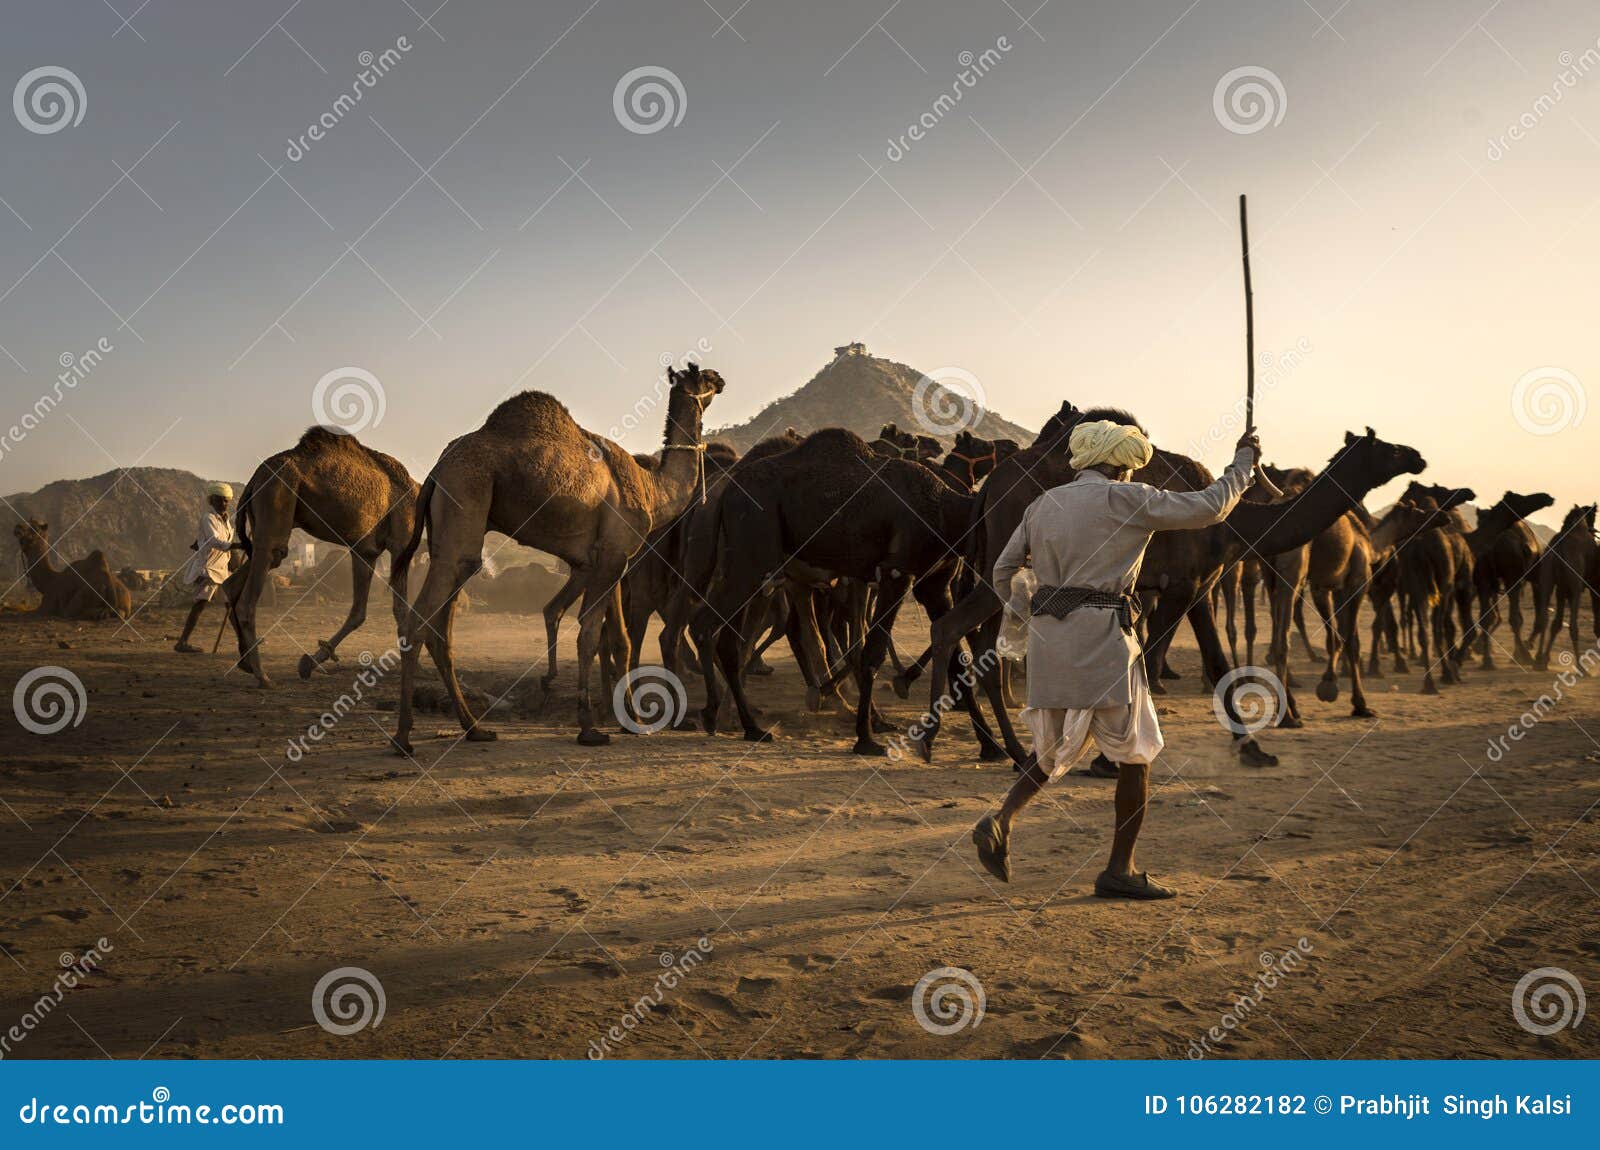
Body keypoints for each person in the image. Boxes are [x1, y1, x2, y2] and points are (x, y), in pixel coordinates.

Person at [971, 418, 1261, 900]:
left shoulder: (1042, 504)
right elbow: (1211, 507)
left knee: (1048, 752)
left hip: (1049, 646)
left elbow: (1003, 571)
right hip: (1106, 645)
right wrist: (1244, 463)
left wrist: (1032, 615)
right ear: (1123, 465)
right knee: (1136, 755)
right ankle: (1119, 869)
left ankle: (1001, 818)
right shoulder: (1127, 498)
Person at [174, 481, 243, 653]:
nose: (223, 503)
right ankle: (182, 642)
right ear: (211, 501)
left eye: (226, 500)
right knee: (200, 605)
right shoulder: (208, 518)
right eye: (219, 500)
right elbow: (214, 541)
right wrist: (237, 546)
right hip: (209, 570)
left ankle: (244, 640)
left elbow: (224, 545)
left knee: (231, 606)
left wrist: (233, 556)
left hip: (222, 570)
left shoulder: (227, 523)